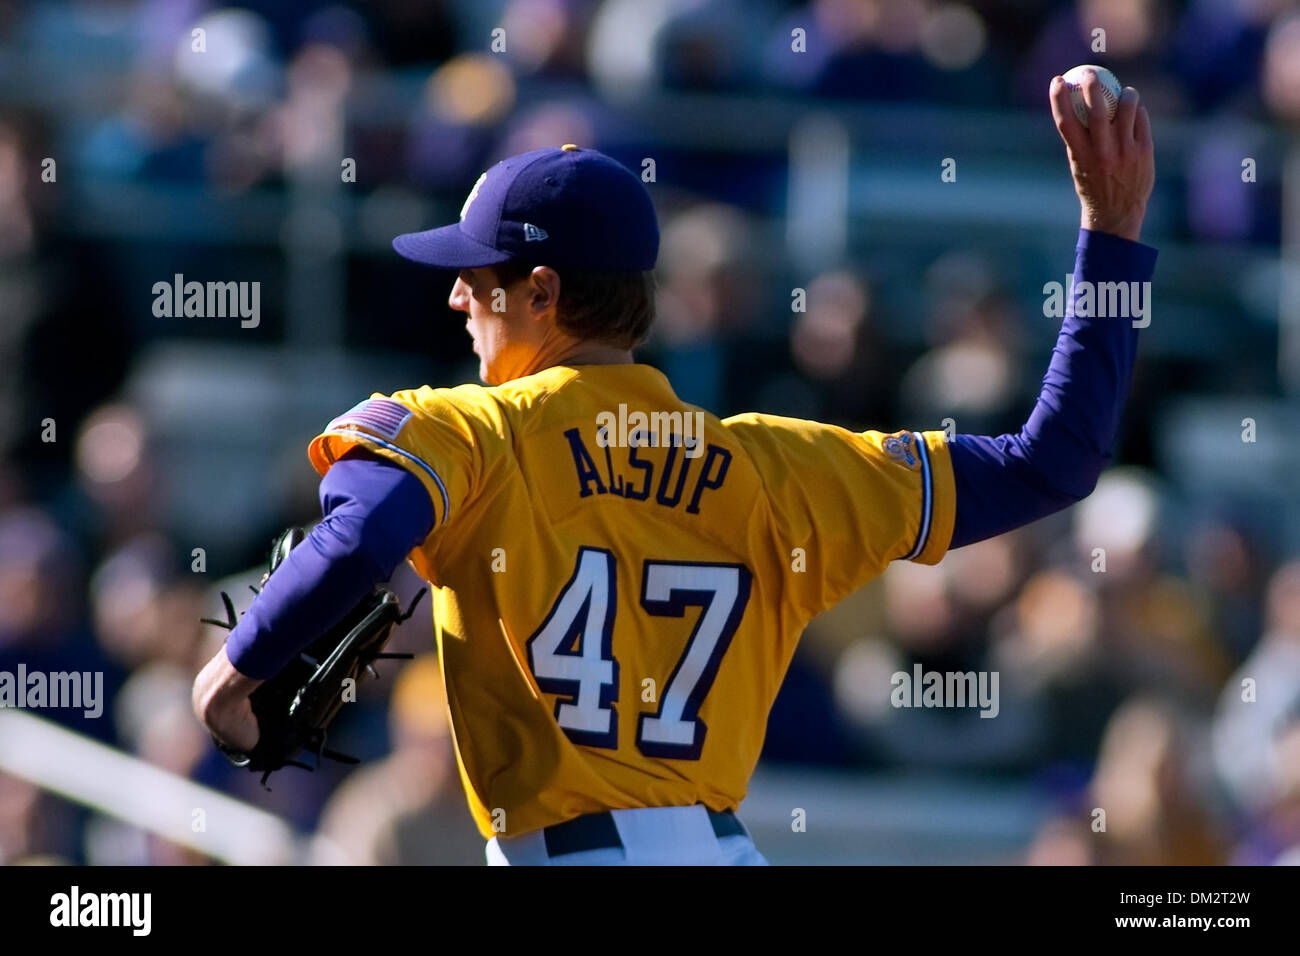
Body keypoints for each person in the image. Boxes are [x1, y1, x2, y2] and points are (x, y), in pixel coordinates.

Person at [194, 71, 1156, 865]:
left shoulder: (473, 432)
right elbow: (1054, 463)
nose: (455, 297)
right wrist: (1110, 238)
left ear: (541, 291)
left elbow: (362, 531)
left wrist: (233, 673)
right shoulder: (781, 466)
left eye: (476, 278)